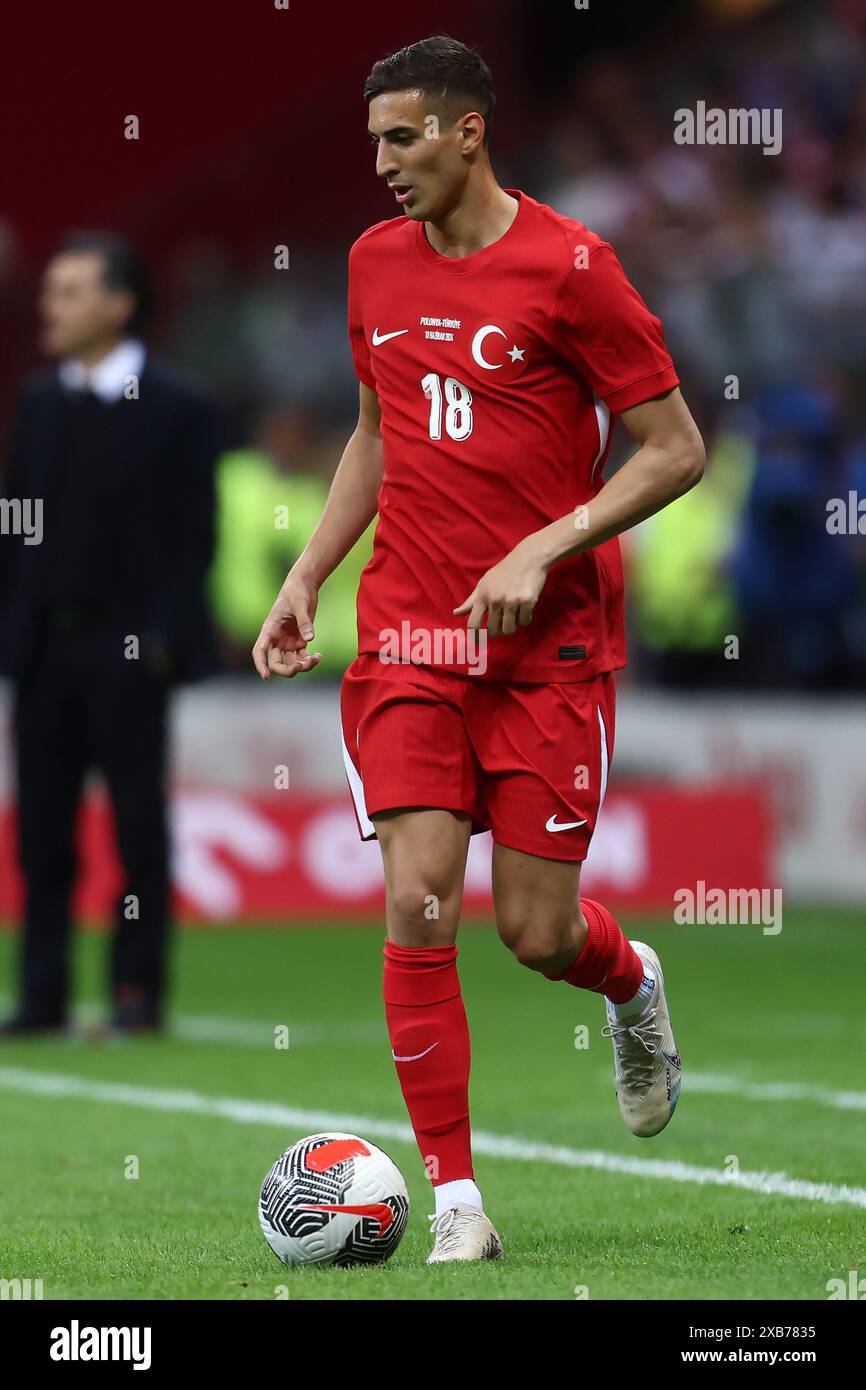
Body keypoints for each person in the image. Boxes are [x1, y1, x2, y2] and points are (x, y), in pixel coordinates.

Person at [252, 37, 704, 1262]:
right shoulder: (371, 263)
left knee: (536, 934)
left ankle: (628, 985)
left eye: (402, 139)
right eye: (372, 144)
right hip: (405, 633)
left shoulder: (572, 266)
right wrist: (308, 571)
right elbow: (374, 432)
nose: (383, 165)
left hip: (547, 644)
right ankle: (456, 1203)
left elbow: (673, 449)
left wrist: (543, 547)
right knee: (416, 898)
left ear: (466, 132)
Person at [0, 232, 221, 1035]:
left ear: (118, 304)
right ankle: (43, 993)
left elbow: (195, 535)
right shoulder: (39, 403)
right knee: (42, 834)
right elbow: (15, 519)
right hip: (45, 654)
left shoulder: (179, 407)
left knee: (137, 828)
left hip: (132, 652)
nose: (47, 306)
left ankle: (137, 993)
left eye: (68, 291)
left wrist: (163, 640)